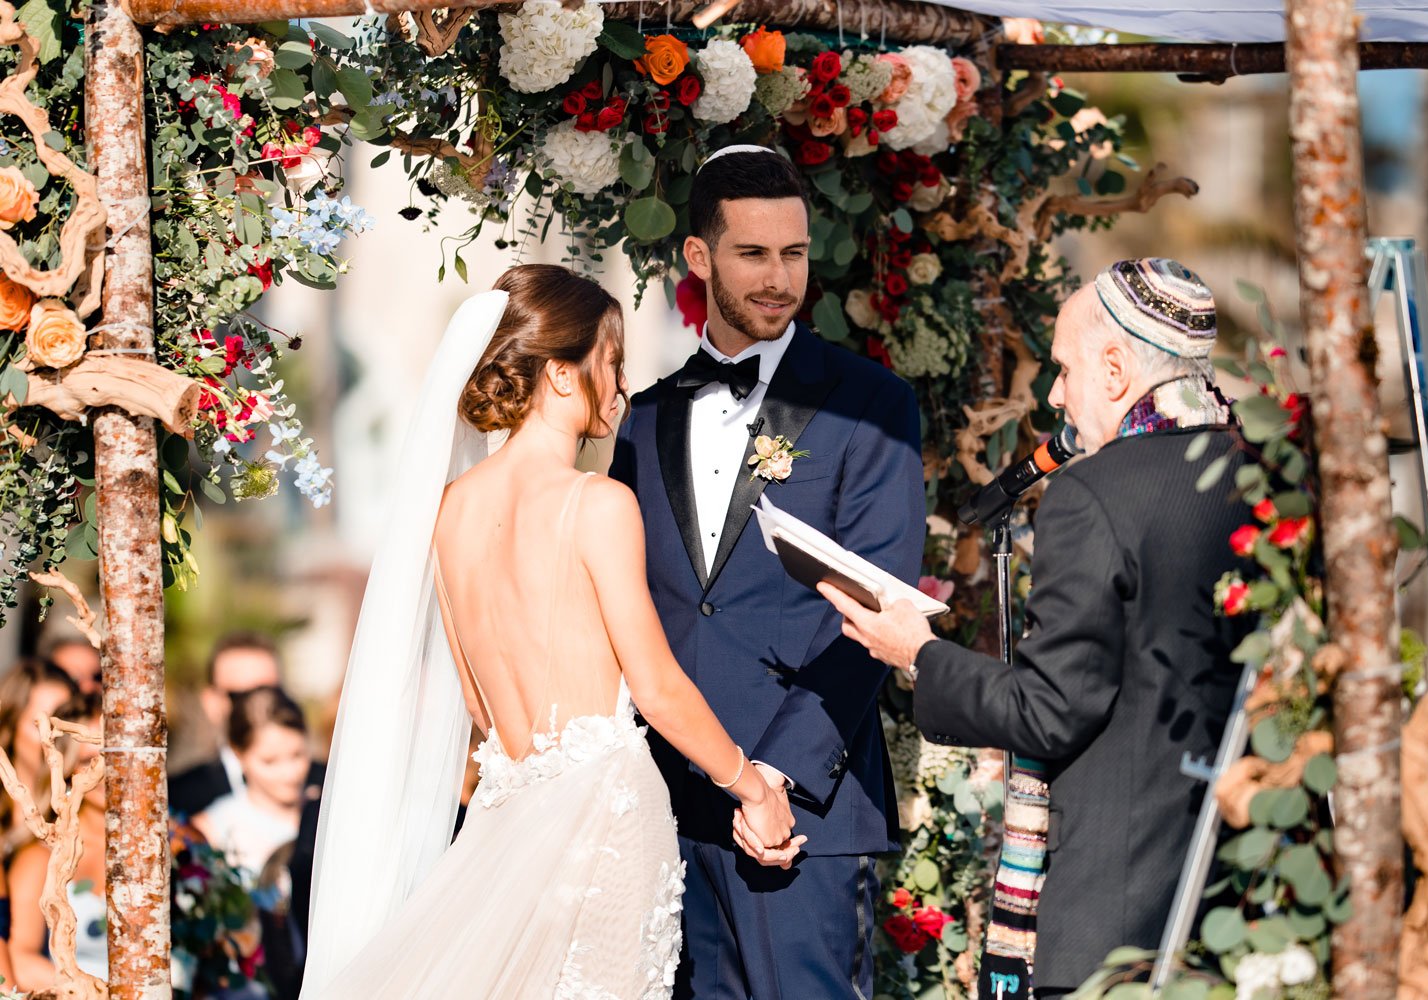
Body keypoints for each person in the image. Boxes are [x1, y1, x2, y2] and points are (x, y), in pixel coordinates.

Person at [300, 264, 800, 999]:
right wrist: (751, 786)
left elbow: (475, 704)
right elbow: (657, 688)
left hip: (505, 818)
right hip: (604, 814)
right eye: (610, 360)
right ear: (562, 376)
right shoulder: (594, 503)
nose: (622, 383)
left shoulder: (447, 512)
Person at [820, 258, 1250, 997]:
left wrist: (919, 654)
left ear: (1114, 368)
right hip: (1235, 899)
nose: (1055, 396)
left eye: (1062, 369)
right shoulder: (1264, 472)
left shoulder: (1095, 492)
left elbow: (1050, 711)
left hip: (1113, 921)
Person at [608, 146, 926, 1000]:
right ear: (700, 258)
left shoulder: (874, 406)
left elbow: (875, 614)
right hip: (664, 812)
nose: (780, 277)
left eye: (794, 253)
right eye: (753, 254)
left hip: (806, 816)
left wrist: (772, 779)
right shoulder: (640, 423)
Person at [169, 633, 325, 818]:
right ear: (211, 702)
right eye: (239, 696)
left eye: (269, 692)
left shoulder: (331, 785)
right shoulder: (176, 798)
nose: (256, 704)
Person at [10, 691, 106, 990]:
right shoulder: (41, 857)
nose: (107, 772)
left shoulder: (172, 843)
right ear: (67, 768)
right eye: (91, 760)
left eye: (118, 757)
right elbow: (20, 960)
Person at [192, 686, 312, 882]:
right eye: (270, 761)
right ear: (238, 754)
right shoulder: (210, 830)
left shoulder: (325, 813)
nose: (290, 773)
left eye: (297, 755)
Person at [0, 658, 80, 858]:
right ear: (9, 726)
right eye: (40, 725)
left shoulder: (77, 815)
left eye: (64, 724)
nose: (53, 737)